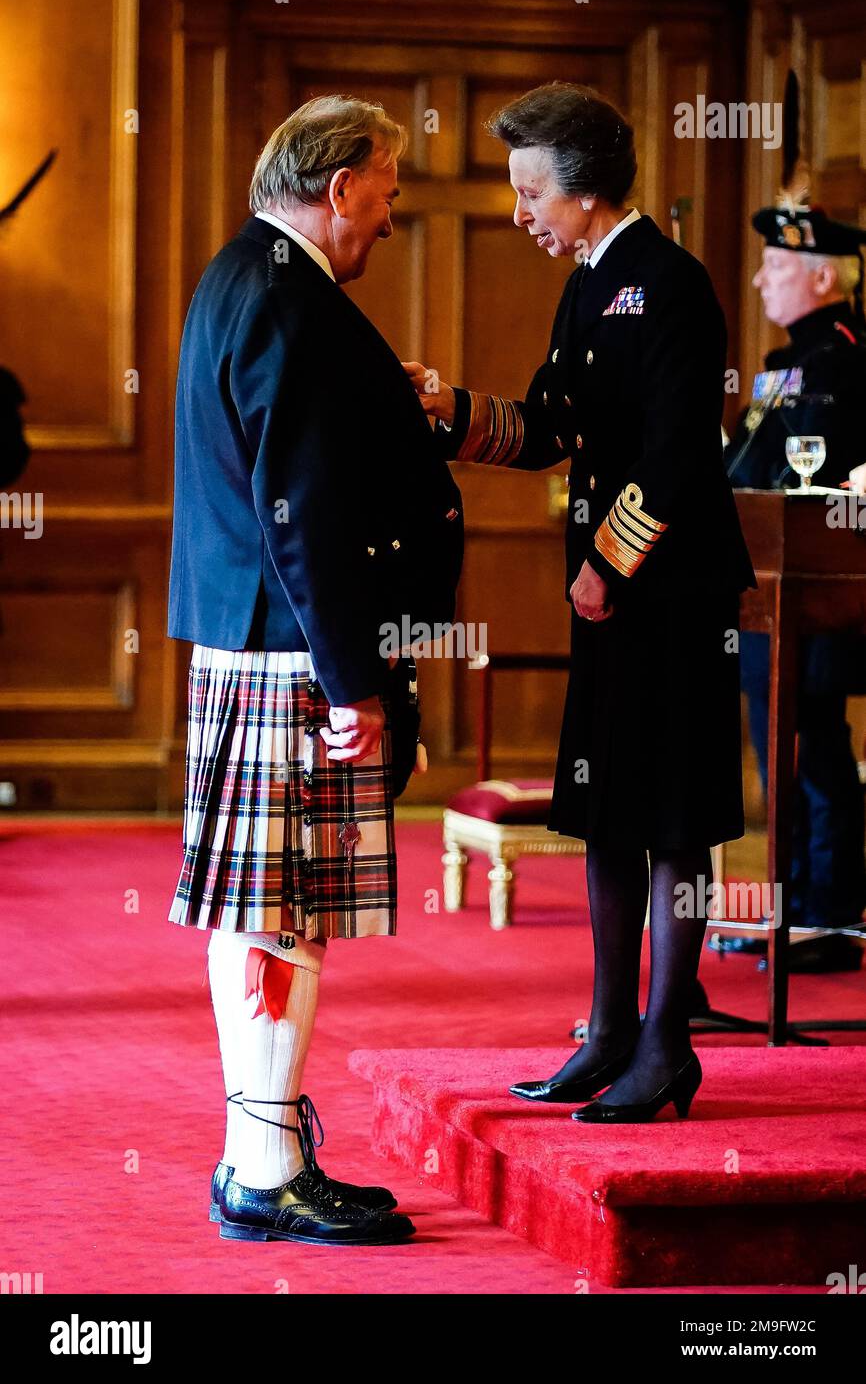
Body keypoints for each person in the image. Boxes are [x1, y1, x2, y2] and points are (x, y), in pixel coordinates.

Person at [405, 82, 756, 1124]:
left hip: (672, 592)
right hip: (609, 601)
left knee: (672, 818)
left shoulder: (670, 281)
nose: (518, 214)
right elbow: (551, 425)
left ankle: (664, 1044)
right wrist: (452, 414)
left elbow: (679, 454)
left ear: (586, 187)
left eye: (528, 192)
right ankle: (606, 1034)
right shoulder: (586, 286)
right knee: (609, 814)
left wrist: (607, 561)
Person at [166, 95, 463, 1243]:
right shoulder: (290, 300)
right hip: (291, 651)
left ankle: (264, 1149)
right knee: (279, 917)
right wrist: (354, 683)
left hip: (260, 642)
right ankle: (262, 1165)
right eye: (385, 193)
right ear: (338, 187)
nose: (388, 219)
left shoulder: (240, 276)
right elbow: (301, 516)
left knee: (268, 913)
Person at [722, 204, 866, 973]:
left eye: (774, 267)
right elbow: (749, 471)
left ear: (820, 276)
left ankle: (833, 917)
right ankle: (791, 906)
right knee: (776, 752)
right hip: (763, 590)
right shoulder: (782, 363)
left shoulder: (850, 357)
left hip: (821, 594)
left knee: (817, 751)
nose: (759, 279)